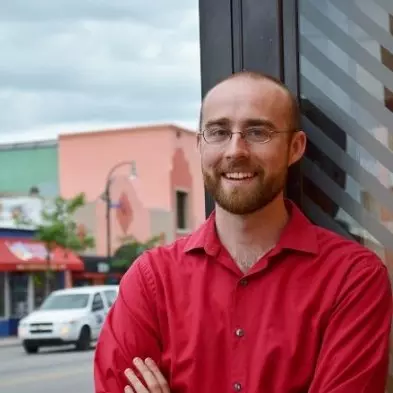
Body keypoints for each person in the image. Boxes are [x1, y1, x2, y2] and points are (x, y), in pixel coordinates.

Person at [94, 71, 393, 393]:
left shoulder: (352, 277)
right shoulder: (151, 280)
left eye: (257, 132)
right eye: (219, 132)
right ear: (199, 144)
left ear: (294, 147)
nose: (235, 150)